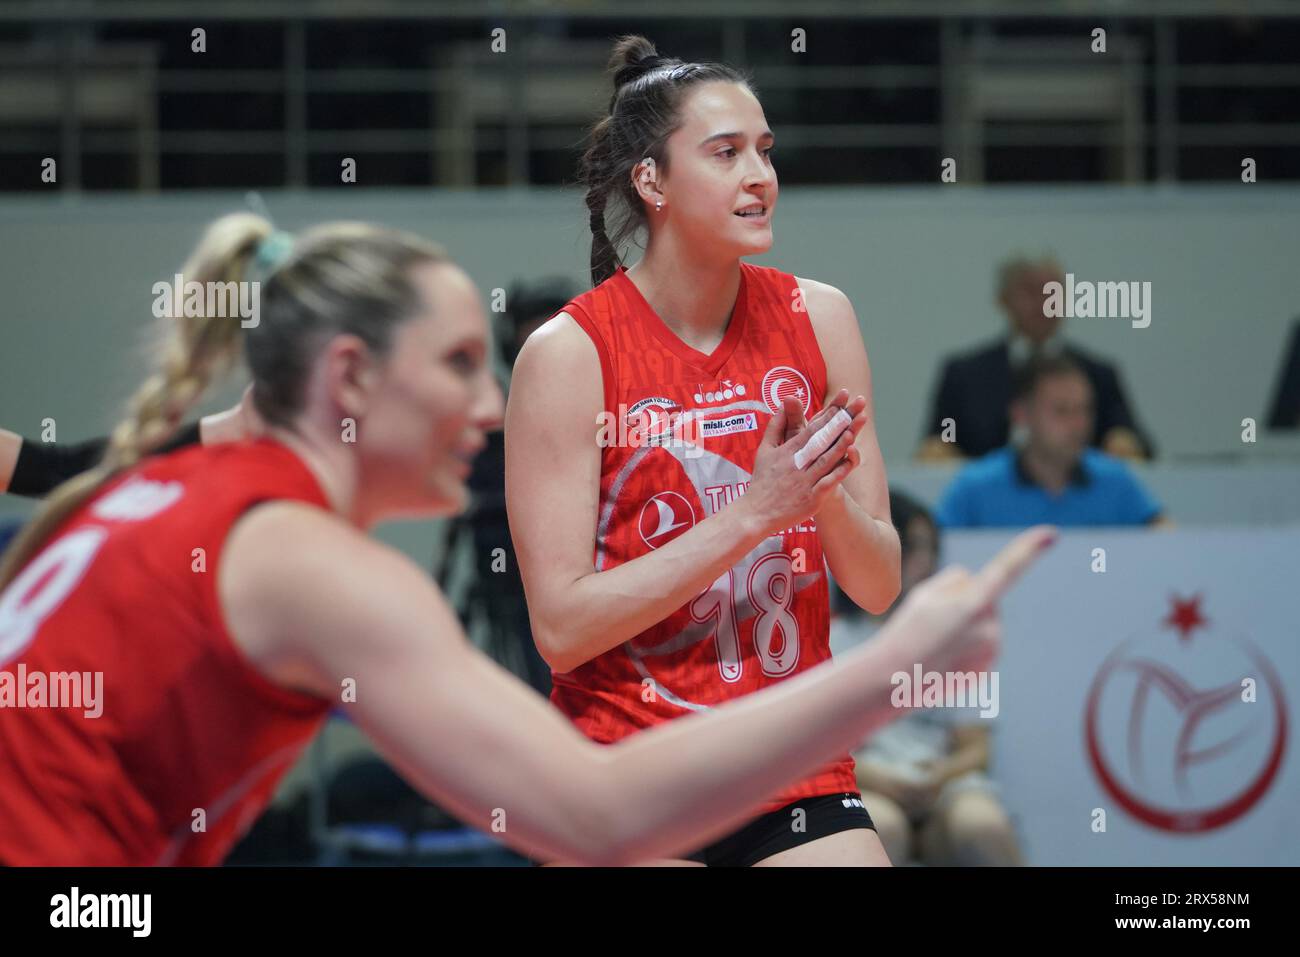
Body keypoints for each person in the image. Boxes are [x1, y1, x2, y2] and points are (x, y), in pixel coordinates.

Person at [0, 210, 1056, 866]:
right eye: (459, 364)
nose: (495, 405)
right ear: (350, 379)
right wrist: (897, 671)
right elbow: (589, 815)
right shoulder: (310, 565)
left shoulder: (196, 475)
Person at [506, 36, 903, 866]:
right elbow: (561, 628)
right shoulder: (568, 352)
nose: (759, 175)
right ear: (651, 181)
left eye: (765, 150)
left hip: (791, 770)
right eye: (725, 154)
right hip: (627, 776)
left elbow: (877, 582)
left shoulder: (819, 316)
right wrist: (758, 511)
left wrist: (817, 492)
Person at [831, 490, 1023, 866]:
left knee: (984, 826)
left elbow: (977, 749)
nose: (927, 562)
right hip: (863, 782)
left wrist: (938, 778)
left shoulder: (959, 638)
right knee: (881, 826)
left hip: (944, 784)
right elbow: (815, 748)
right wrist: (878, 779)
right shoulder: (831, 639)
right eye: (915, 549)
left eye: (932, 550)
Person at [917, 254, 1154, 463]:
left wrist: (1124, 441)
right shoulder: (964, 375)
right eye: (1031, 292)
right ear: (1003, 300)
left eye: (1053, 292)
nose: (1045, 303)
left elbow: (1128, 435)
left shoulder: (1097, 374)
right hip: (983, 505)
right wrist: (943, 445)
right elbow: (945, 433)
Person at [934, 354, 1167, 529]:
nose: (1079, 423)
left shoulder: (1117, 482)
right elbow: (933, 556)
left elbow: (1169, 545)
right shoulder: (974, 487)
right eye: (1062, 410)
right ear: (1021, 414)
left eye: (1085, 409)